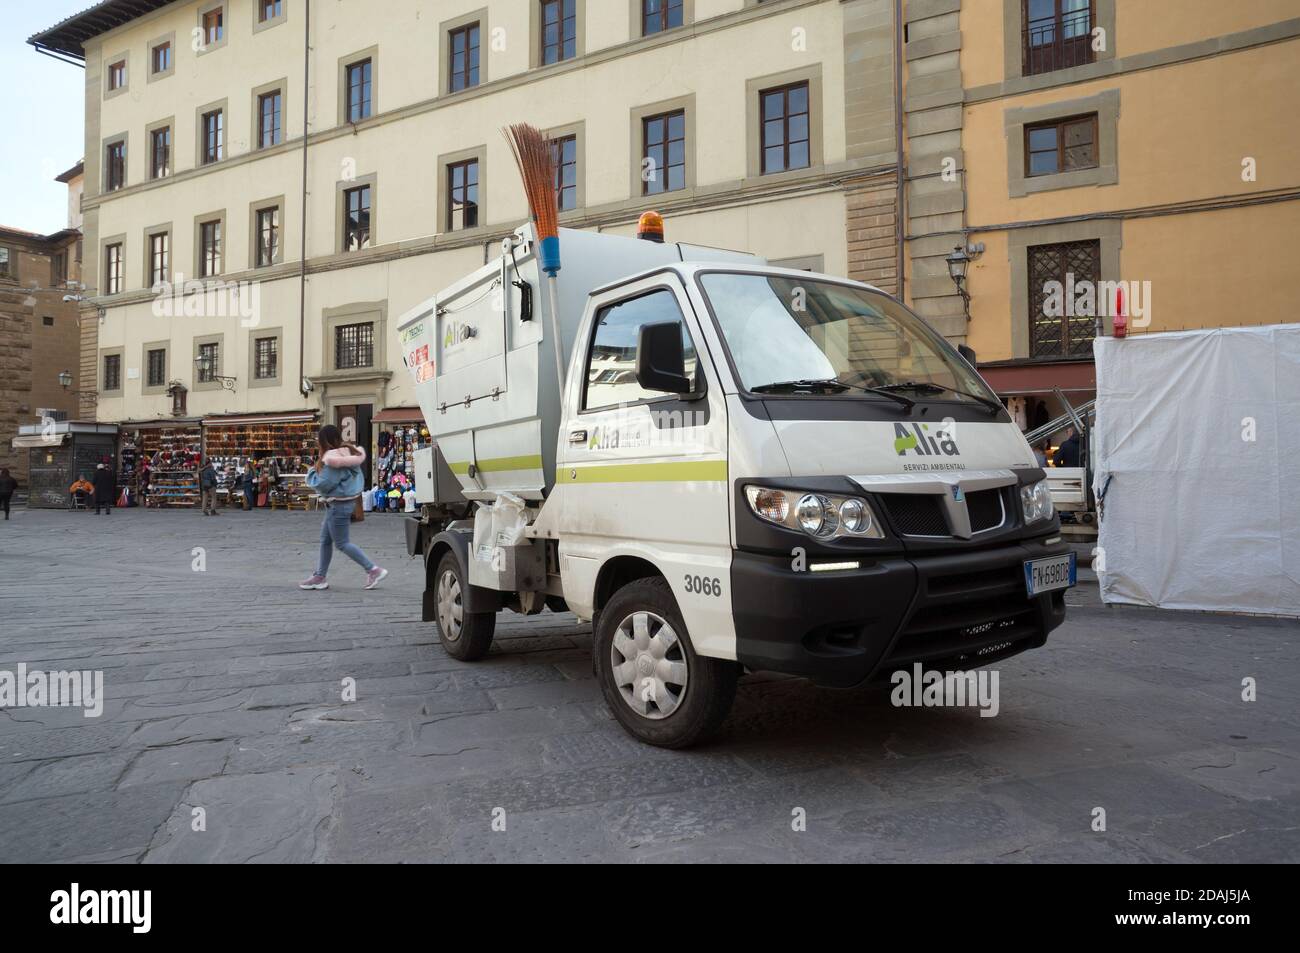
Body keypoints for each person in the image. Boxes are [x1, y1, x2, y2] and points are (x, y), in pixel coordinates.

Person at [300, 424, 387, 591]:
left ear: (323, 441)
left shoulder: (333, 459)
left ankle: (373, 570)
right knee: (325, 540)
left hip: (337, 505)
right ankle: (320, 576)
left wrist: (311, 473)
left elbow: (324, 484)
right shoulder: (347, 453)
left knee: (342, 543)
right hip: (344, 503)